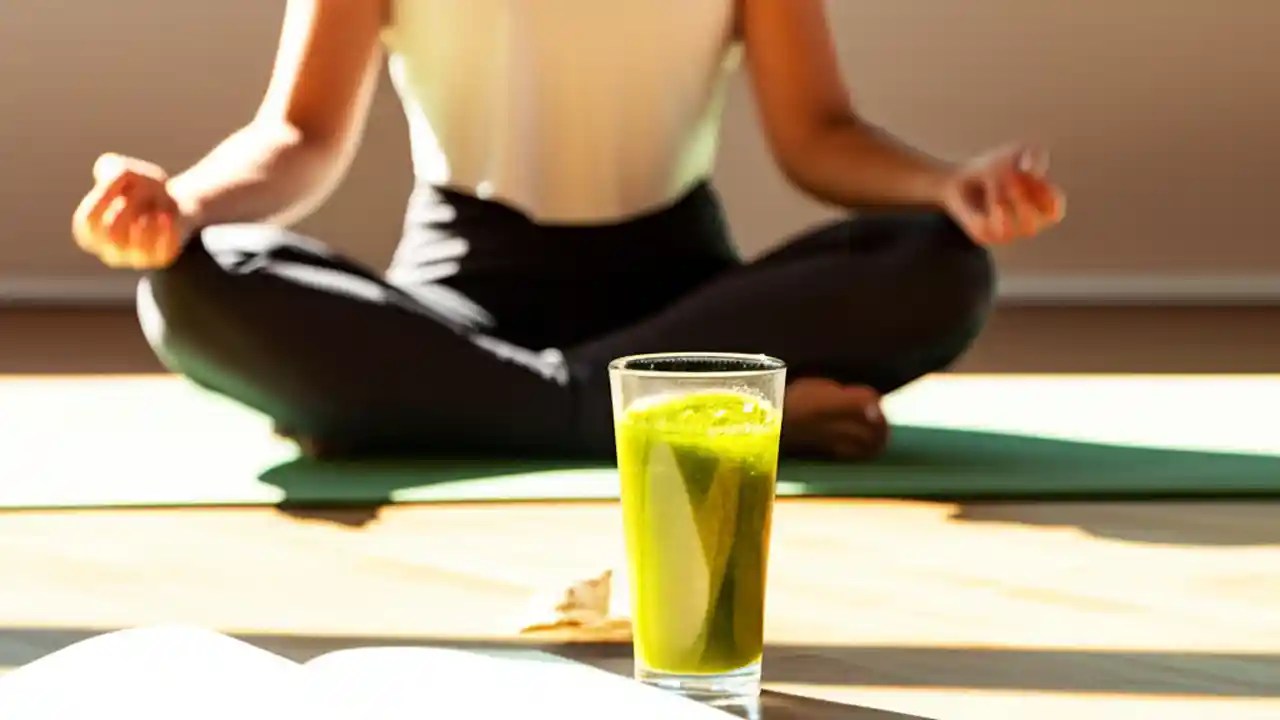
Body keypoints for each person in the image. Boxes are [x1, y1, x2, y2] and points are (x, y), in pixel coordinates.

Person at [70, 0, 1065, 461]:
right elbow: (299, 133)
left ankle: (424, 413)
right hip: (460, 291)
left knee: (939, 266)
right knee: (195, 282)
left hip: (677, 299)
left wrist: (948, 186)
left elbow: (816, 135)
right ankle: (664, 413)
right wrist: (181, 206)